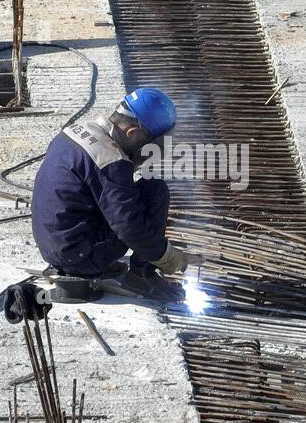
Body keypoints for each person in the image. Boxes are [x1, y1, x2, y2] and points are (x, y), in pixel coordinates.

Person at [31, 87, 199, 298]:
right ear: (132, 132)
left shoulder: (76, 131)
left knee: (135, 196)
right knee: (155, 191)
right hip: (78, 255)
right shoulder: (110, 160)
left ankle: (90, 256)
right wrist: (169, 256)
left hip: (54, 244)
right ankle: (142, 276)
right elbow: (130, 227)